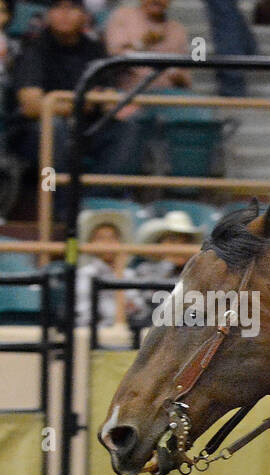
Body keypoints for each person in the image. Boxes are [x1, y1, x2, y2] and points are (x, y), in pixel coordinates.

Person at [10, 0, 145, 181]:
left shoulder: (94, 49)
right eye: (58, 7)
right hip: (36, 133)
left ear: (84, 16)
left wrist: (112, 104)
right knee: (54, 127)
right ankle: (59, 201)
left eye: (72, 8)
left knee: (129, 126)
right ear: (49, 14)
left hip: (85, 128)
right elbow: (31, 106)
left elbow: (107, 93)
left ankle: (100, 201)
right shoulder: (34, 48)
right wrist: (79, 105)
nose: (64, 14)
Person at [104, 0, 192, 91]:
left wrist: (174, 72)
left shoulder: (177, 29)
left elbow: (186, 79)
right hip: (131, 94)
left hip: (171, 95)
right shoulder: (124, 16)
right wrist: (143, 43)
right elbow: (115, 55)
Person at [76, 209, 132, 329]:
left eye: (113, 238)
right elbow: (85, 315)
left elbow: (139, 310)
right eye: (101, 238)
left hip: (132, 334)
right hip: (94, 333)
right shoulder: (84, 275)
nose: (108, 243)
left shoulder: (131, 274)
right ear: (90, 243)